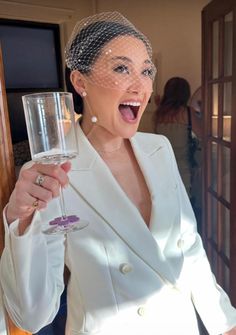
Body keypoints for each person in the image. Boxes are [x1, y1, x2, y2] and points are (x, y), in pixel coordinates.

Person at [0, 11, 236, 335]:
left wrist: (225, 322)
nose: (141, 86)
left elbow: (188, 245)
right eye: (122, 68)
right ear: (80, 81)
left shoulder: (159, 149)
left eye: (147, 70)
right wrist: (21, 219)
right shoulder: (49, 174)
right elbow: (32, 316)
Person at [154, 77, 199, 198]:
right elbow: (203, 136)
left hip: (162, 166)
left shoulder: (159, 114)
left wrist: (159, 105)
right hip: (183, 167)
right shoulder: (188, 113)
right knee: (183, 201)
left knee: (166, 200)